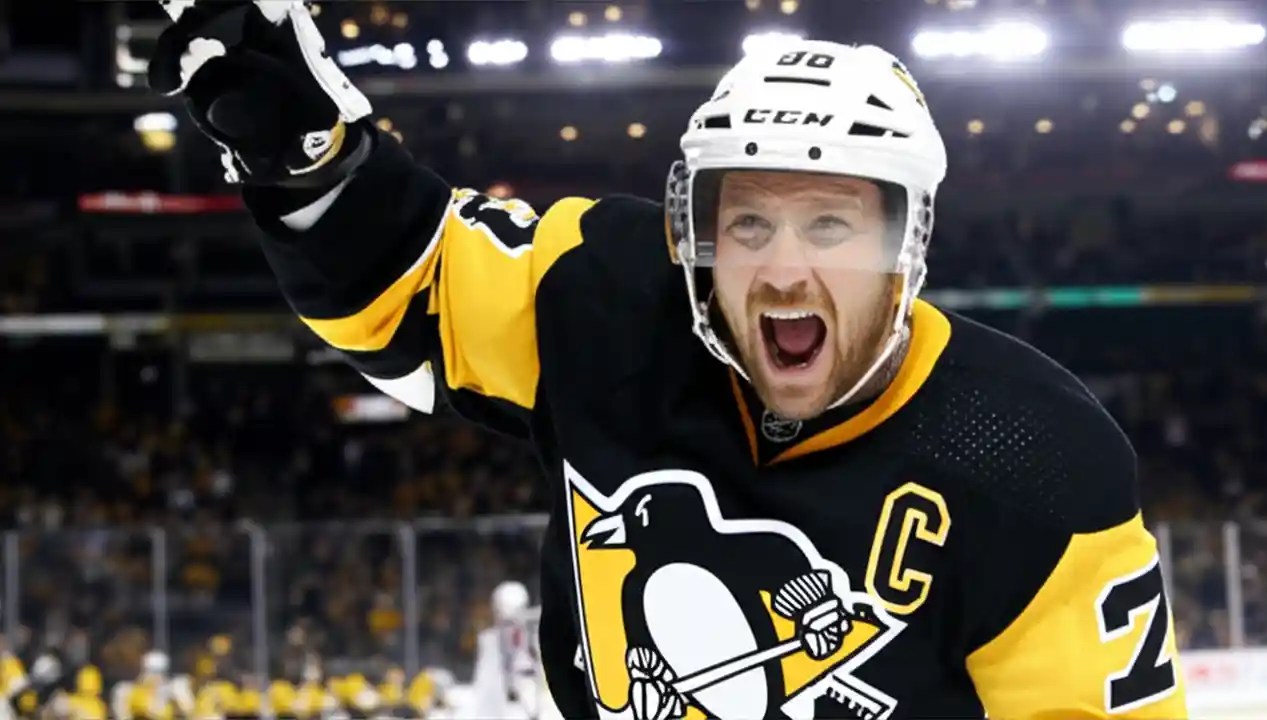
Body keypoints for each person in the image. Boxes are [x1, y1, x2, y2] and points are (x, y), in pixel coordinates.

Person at [149, 2, 1187, 717]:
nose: (782, 273)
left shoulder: (1036, 456)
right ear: (692, 232)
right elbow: (400, 288)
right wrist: (305, 154)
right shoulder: (603, 297)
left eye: (828, 227)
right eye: (746, 226)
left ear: (902, 247)